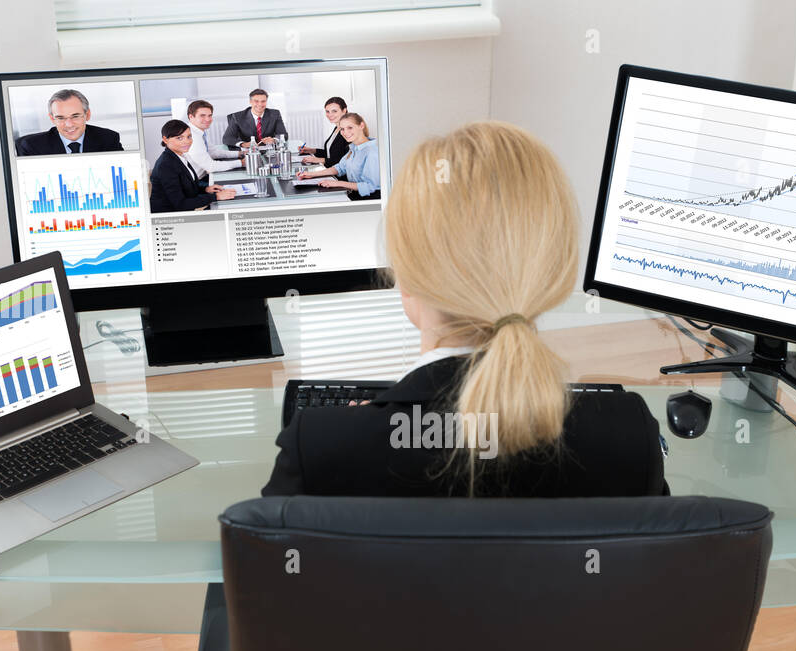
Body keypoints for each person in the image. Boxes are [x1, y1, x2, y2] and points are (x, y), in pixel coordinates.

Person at [263, 119, 667, 497]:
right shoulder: (631, 436)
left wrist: (361, 428)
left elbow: (255, 567)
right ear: (553, 267)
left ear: (405, 273)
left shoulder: (320, 447)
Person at [149, 120, 236, 213]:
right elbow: (181, 204)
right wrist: (216, 197)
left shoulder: (180, 155)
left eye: (189, 136)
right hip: (170, 216)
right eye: (179, 138)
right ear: (165, 139)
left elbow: (186, 187)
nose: (187, 142)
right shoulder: (166, 166)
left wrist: (205, 189)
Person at [295, 113, 380, 199]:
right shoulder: (354, 147)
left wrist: (338, 183)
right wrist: (311, 174)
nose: (345, 132)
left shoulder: (372, 151)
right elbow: (339, 168)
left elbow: (370, 187)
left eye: (350, 127)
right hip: (353, 194)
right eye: (342, 129)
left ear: (361, 126)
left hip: (368, 199)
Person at [15, 89, 123, 156]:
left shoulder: (108, 139)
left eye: (75, 116)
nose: (69, 124)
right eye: (61, 118)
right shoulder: (32, 146)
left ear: (87, 115)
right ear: (52, 119)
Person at [184, 99, 242, 177]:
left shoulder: (199, 132)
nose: (208, 119)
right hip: (197, 182)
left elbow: (213, 152)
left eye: (209, 115)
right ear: (191, 116)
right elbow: (210, 166)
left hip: (203, 175)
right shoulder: (192, 136)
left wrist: (239, 154)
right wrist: (241, 163)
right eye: (202, 115)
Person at [222, 89, 287, 148]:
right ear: (250, 102)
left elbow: (283, 135)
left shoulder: (275, 114)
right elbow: (227, 138)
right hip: (248, 152)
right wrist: (243, 144)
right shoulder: (237, 117)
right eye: (256, 101)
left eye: (263, 101)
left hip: (269, 151)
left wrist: (274, 140)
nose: (260, 104)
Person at [299, 96, 351, 168]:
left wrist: (317, 160)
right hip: (331, 170)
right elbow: (330, 153)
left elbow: (340, 160)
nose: (330, 115)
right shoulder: (337, 128)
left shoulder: (348, 131)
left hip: (340, 175)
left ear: (344, 111)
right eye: (327, 111)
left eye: (334, 111)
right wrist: (312, 150)